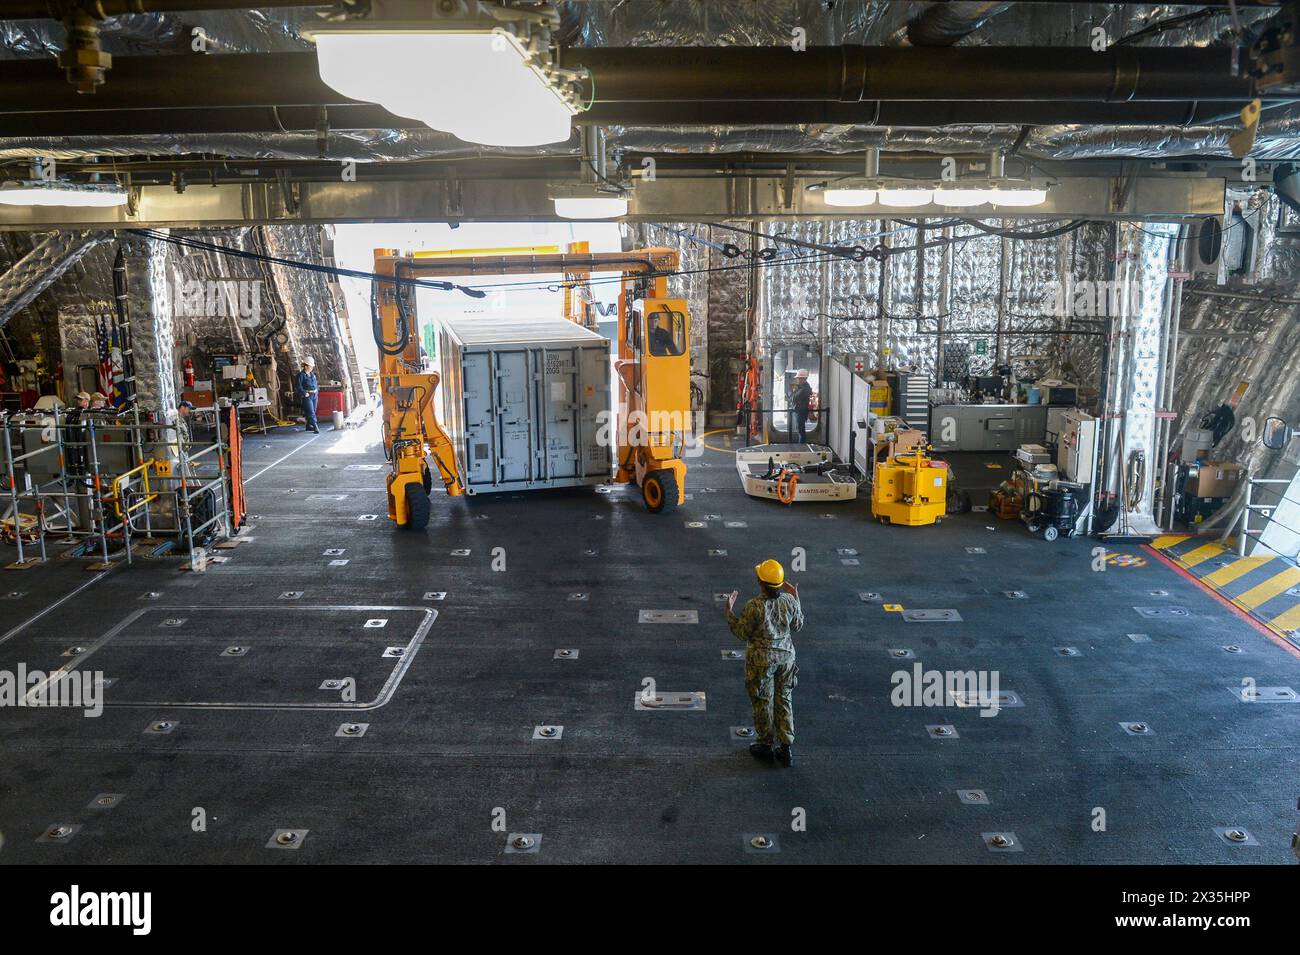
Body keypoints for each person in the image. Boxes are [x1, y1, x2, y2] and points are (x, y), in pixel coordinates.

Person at [726, 558, 803, 767]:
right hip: (786, 659)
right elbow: (798, 625)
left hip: (762, 663)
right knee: (784, 699)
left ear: (760, 582)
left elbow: (742, 632)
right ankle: (786, 748)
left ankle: (765, 745)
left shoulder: (754, 606)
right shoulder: (788, 601)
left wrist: (729, 613)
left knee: (763, 701)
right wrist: (796, 598)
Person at [295, 357, 319, 434]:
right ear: (306, 366)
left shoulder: (312, 375)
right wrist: (304, 393)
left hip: (314, 395)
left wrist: (316, 391)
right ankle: (315, 427)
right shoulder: (300, 375)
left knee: (313, 411)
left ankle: (308, 426)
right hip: (307, 396)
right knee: (311, 411)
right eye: (310, 366)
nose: (312, 368)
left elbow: (315, 384)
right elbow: (298, 386)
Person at [789, 369, 813, 443]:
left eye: (798, 378)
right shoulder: (802, 388)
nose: (797, 380)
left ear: (803, 378)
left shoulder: (804, 389)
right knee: (800, 429)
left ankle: (802, 447)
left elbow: (794, 398)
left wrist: (791, 393)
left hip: (801, 412)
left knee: (801, 430)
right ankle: (802, 446)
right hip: (800, 411)